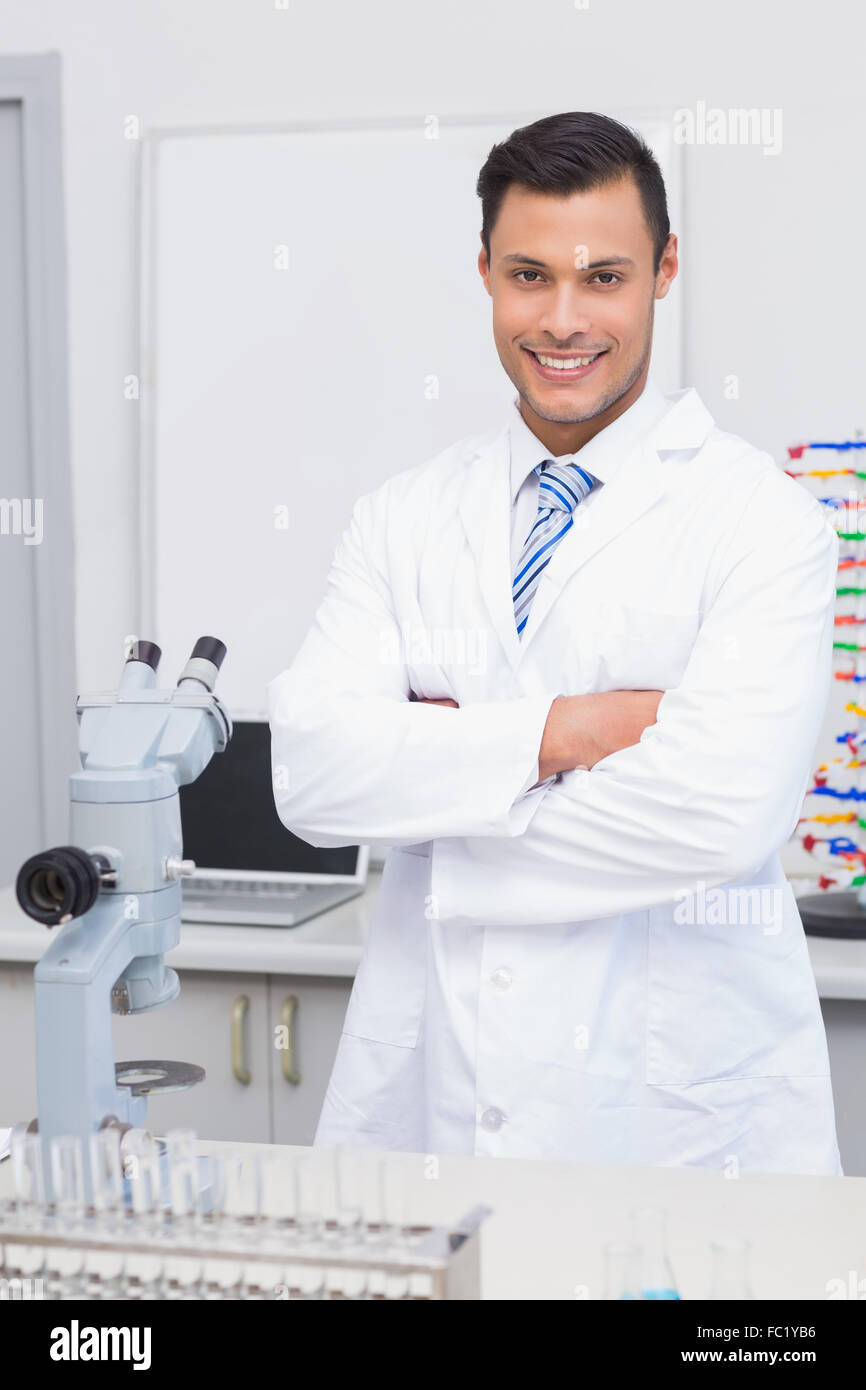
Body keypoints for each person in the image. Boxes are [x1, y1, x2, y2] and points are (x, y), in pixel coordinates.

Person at [267, 111, 841, 1175]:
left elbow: (715, 814)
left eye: (603, 277)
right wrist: (572, 731)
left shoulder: (760, 522)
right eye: (529, 275)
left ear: (664, 270)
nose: (563, 320)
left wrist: (440, 803)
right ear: (482, 270)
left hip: (675, 1121)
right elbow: (311, 774)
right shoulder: (399, 518)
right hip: (432, 1102)